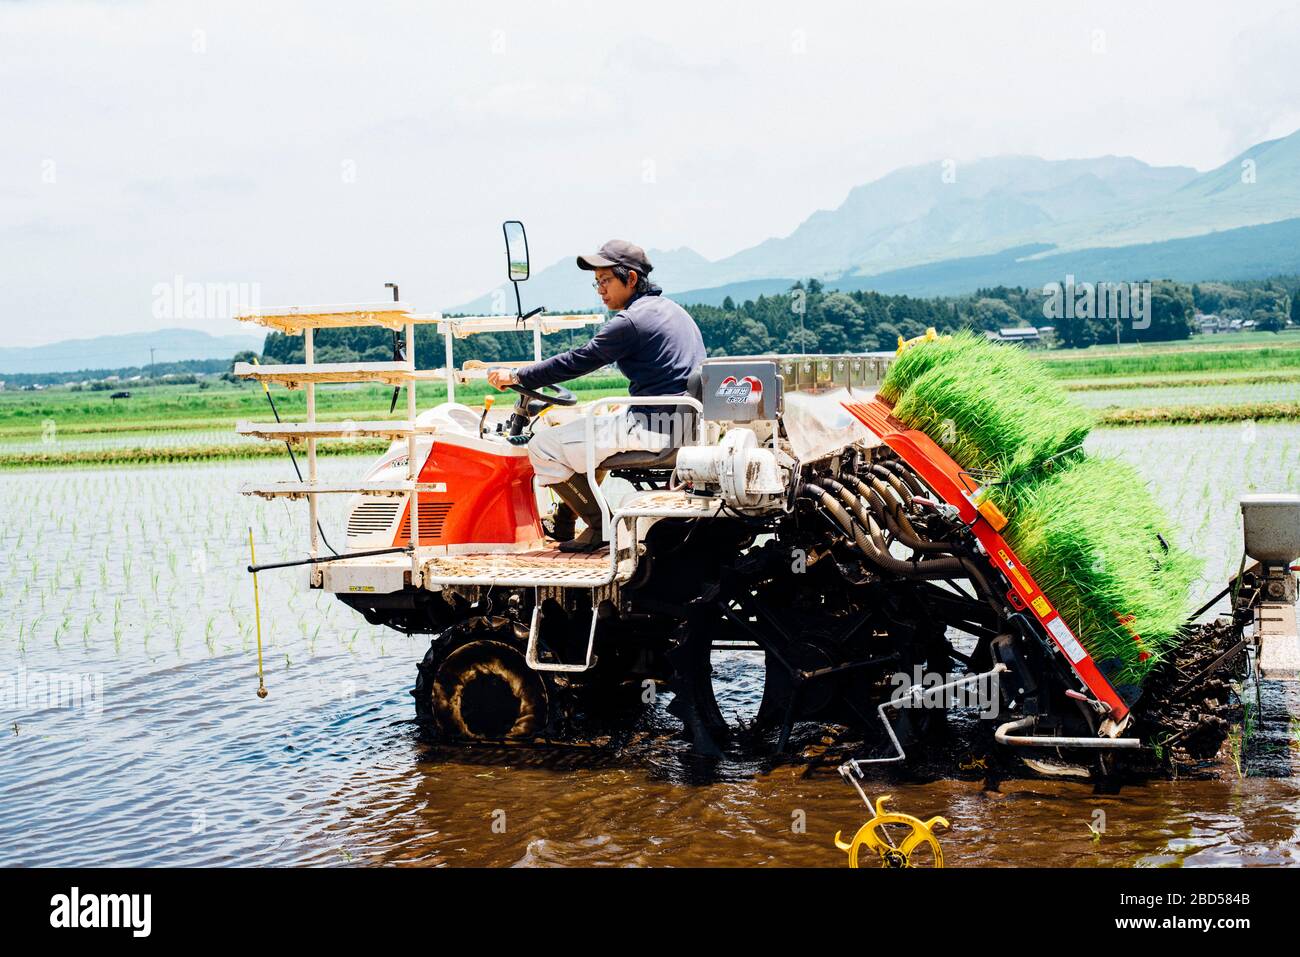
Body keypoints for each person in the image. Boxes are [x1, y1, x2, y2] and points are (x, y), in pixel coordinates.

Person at [487, 239, 705, 552]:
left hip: (652, 427)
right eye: (597, 283)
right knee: (591, 432)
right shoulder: (672, 310)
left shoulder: (630, 322)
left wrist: (519, 375)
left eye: (605, 281)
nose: (601, 289)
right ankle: (565, 519)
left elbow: (579, 360)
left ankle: (600, 524)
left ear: (630, 279)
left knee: (542, 446)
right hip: (679, 423)